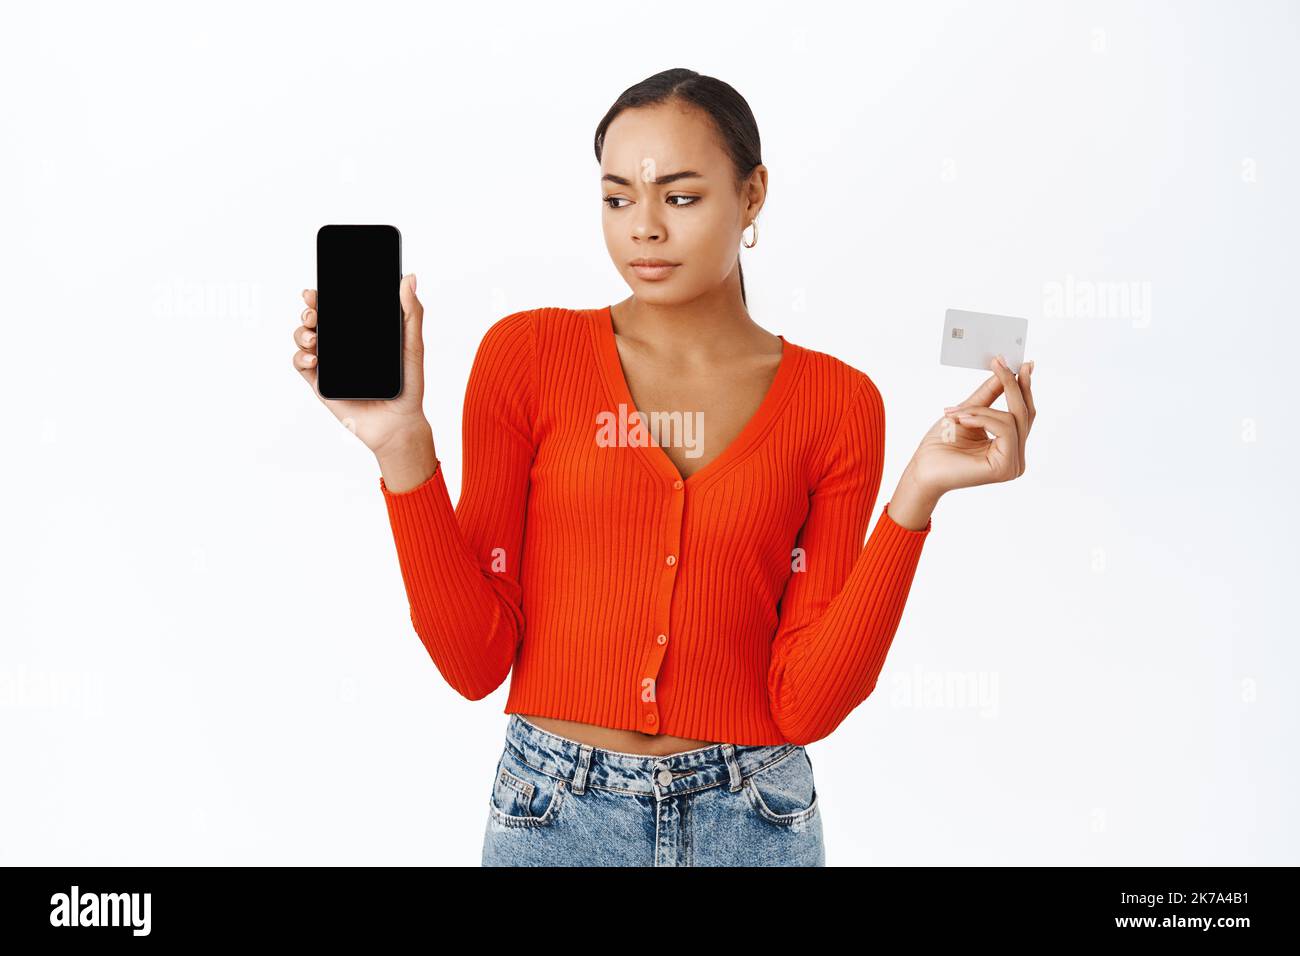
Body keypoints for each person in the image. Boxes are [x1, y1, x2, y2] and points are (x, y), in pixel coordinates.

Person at [292, 68, 1036, 866]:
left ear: (752, 196)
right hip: (552, 817)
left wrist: (915, 498)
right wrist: (402, 445)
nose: (642, 228)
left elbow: (808, 701)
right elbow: (474, 660)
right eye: (617, 199)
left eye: (679, 197)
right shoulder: (528, 356)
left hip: (755, 817)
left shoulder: (837, 402)